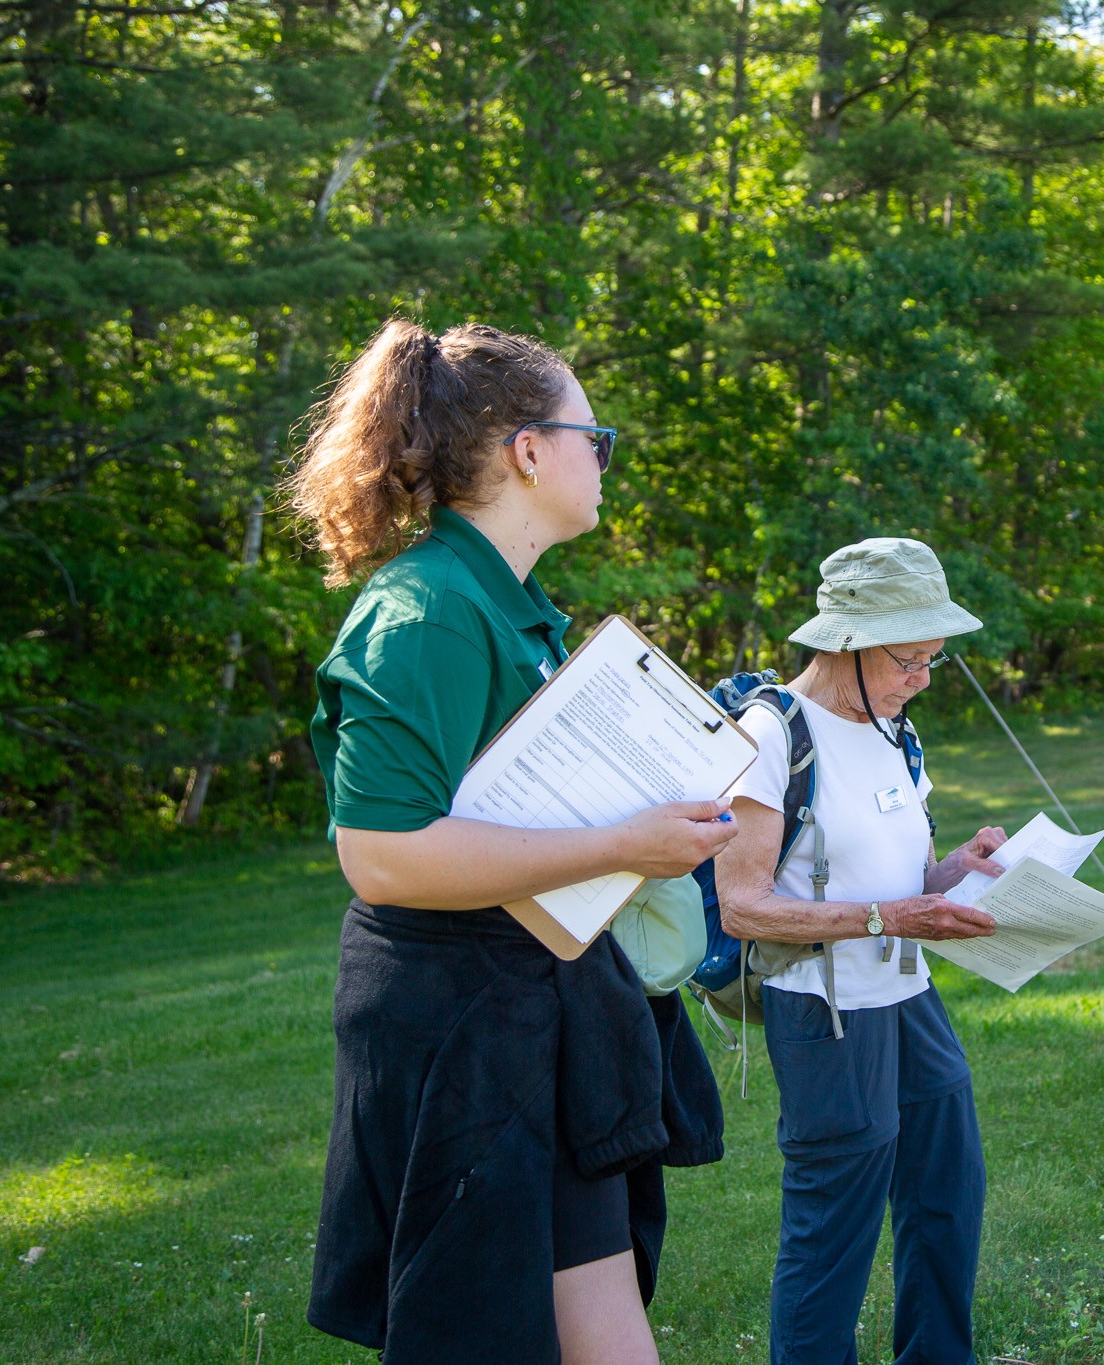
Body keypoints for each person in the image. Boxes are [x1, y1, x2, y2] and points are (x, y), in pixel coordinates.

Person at [289, 318, 736, 1363]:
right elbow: (384, 857)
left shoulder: (518, 609)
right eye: (595, 436)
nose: (604, 461)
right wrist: (622, 839)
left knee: (603, 1325)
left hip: (540, 996)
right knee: (482, 1333)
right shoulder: (427, 611)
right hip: (455, 1020)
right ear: (526, 451)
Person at [714, 537, 1006, 1365]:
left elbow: (905, 874)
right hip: (825, 1010)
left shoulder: (893, 729)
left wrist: (960, 871)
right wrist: (893, 916)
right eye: (909, 658)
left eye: (932, 661)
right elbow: (743, 906)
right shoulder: (771, 732)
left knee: (949, 1192)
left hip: (908, 997)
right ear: (845, 642)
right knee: (834, 1223)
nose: (921, 678)